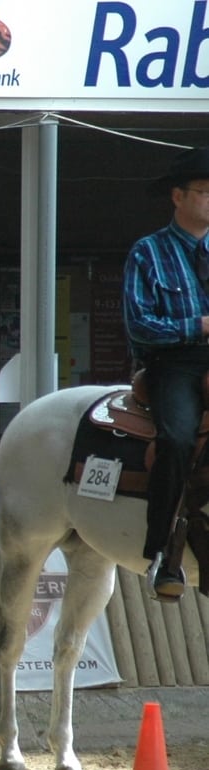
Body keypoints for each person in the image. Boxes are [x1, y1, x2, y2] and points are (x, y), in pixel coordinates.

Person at [123, 145, 209, 602]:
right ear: (178, 196)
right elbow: (139, 324)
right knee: (176, 439)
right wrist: (200, 326)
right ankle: (162, 550)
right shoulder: (148, 252)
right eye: (206, 192)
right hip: (174, 363)